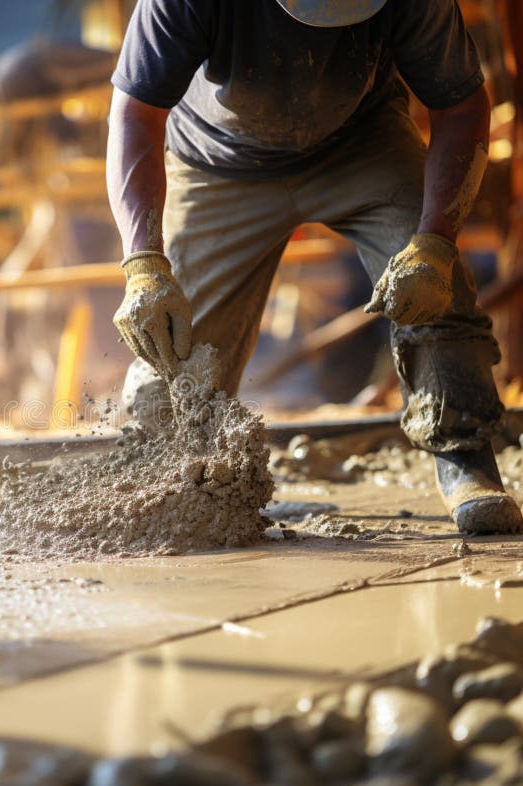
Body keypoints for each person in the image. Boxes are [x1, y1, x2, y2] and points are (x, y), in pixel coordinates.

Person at [106, 0, 523, 534]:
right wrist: (144, 263)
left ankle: (467, 462)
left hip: (362, 144)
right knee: (174, 349)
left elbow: (461, 104)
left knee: (434, 287)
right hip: (217, 164)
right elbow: (134, 112)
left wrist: (434, 243)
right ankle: (166, 475)